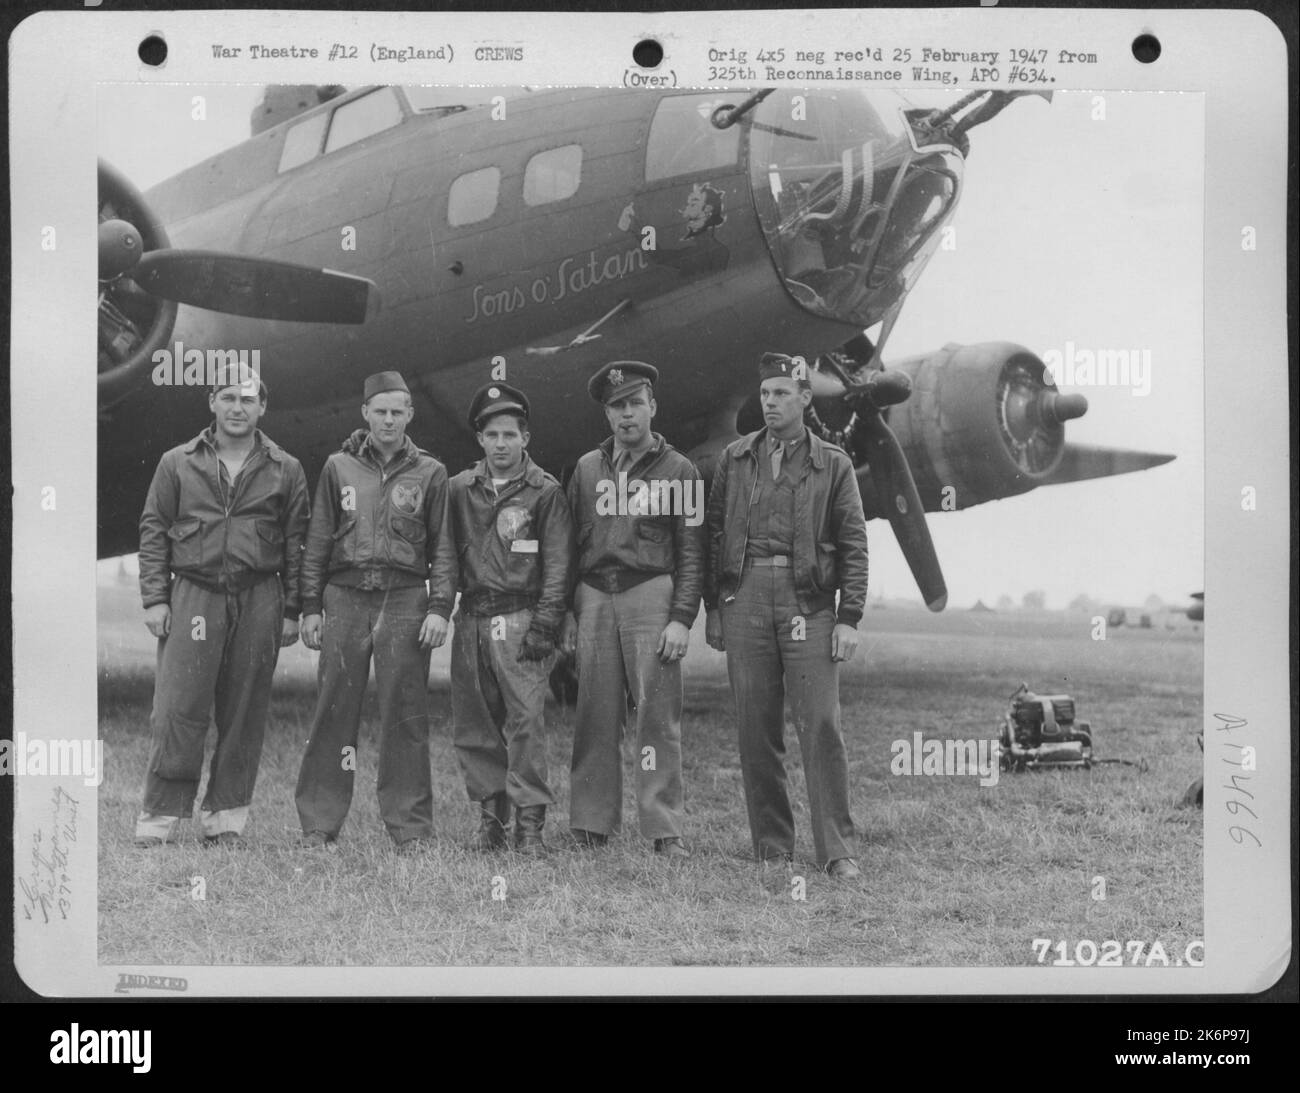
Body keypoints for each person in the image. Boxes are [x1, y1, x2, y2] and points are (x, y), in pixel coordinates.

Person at [704, 353, 870, 879]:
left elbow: (853, 545)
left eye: (781, 394)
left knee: (820, 724)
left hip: (810, 604)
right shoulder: (734, 460)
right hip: (745, 596)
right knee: (756, 728)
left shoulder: (834, 464)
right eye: (765, 394)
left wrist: (850, 617)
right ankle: (772, 846)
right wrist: (714, 607)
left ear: (805, 398)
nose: (770, 403)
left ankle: (836, 851)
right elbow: (712, 536)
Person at [135, 365, 309, 847]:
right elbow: (153, 529)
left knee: (244, 710)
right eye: (228, 397)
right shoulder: (177, 462)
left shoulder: (285, 468)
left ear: (263, 407)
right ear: (211, 402)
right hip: (194, 592)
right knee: (176, 708)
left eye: (248, 399)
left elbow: (297, 543)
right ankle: (160, 816)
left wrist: (293, 609)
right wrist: (155, 597)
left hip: (259, 597)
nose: (237, 407)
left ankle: (225, 819)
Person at [295, 371, 455, 853]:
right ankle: (319, 824)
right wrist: (309, 606)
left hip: (404, 596)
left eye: (397, 411)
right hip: (344, 596)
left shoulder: (431, 473)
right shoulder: (337, 467)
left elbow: (444, 547)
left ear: (410, 414)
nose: (388, 420)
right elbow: (318, 540)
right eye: (379, 411)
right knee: (333, 711)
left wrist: (440, 607)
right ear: (365, 413)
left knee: (405, 713)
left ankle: (409, 829)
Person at [561, 361, 704, 857]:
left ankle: (663, 829)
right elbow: (568, 545)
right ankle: (590, 824)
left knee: (656, 716)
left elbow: (692, 551)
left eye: (635, 404)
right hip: (596, 594)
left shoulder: (679, 470)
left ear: (653, 407)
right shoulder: (585, 469)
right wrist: (566, 610)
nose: (627, 415)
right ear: (606, 413)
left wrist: (682, 618)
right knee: (594, 713)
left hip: (651, 592)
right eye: (617, 406)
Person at [447, 383, 573, 853]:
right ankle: (490, 821)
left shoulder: (545, 493)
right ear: (480, 439)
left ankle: (530, 827)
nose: (501, 444)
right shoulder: (459, 489)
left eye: (510, 435)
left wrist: (545, 625)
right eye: (492, 434)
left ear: (526, 438)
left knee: (525, 724)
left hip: (521, 616)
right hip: (473, 618)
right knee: (475, 724)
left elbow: (559, 565)